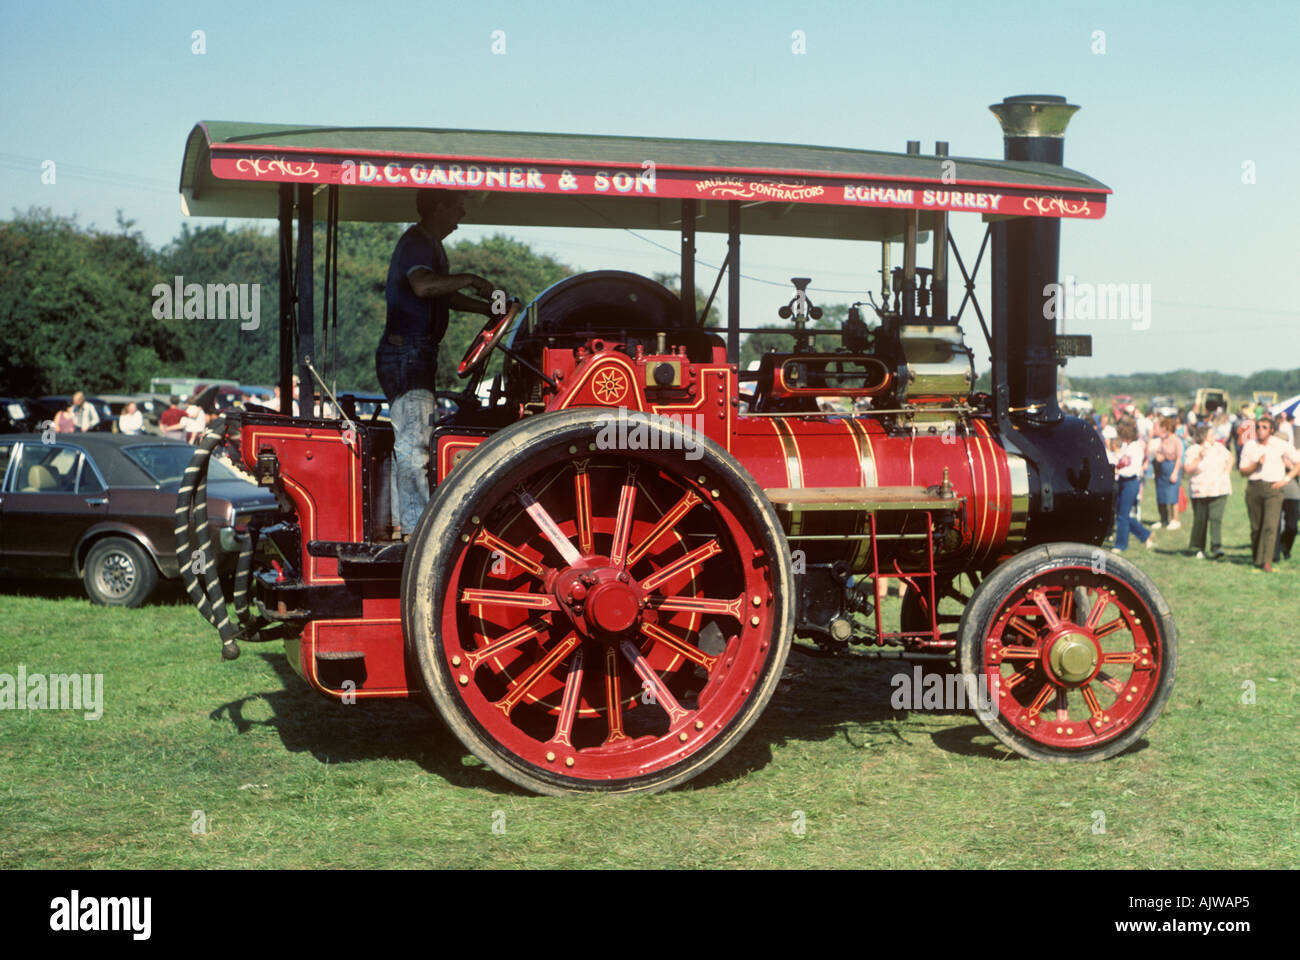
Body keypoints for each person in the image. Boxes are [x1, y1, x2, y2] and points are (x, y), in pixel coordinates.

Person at [376, 189, 497, 539]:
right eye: (457, 206)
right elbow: (424, 286)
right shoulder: (417, 242)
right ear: (439, 208)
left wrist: (485, 309)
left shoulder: (431, 246)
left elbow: (441, 293)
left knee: (411, 441)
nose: (462, 213)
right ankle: (417, 533)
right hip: (407, 354)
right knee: (415, 443)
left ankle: (406, 523)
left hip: (413, 353)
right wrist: (472, 279)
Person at [1239, 415, 1300, 572]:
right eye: (1258, 427)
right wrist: (1256, 465)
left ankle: (1267, 561)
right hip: (1254, 487)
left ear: (1272, 430)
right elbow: (1242, 471)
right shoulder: (1250, 446)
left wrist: (1286, 479)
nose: (1260, 430)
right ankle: (1257, 558)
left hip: (1274, 488)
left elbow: (1297, 462)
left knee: (1271, 525)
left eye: (1264, 427)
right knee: (1256, 527)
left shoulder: (1280, 445)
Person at [1183, 423, 1232, 559]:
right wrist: (1199, 457)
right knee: (1201, 519)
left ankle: (1216, 546)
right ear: (1203, 436)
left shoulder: (1219, 448)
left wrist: (1226, 473)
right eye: (1211, 435)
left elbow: (1230, 458)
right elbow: (1187, 469)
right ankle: (1200, 547)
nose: (1213, 437)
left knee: (1216, 517)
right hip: (1200, 489)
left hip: (1219, 488)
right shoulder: (1193, 450)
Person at [1112, 419, 1154, 553]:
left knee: (1123, 515)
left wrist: (1119, 471)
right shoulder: (1127, 446)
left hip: (1131, 482)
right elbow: (1122, 461)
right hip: (1123, 481)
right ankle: (1145, 534)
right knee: (1121, 514)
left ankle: (1121, 545)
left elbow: (1133, 469)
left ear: (1126, 435)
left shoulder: (1136, 448)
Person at [1151, 416, 1184, 530]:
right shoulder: (1164, 439)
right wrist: (1158, 455)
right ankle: (1163, 519)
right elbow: (1157, 451)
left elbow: (1179, 458)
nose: (1161, 429)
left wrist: (1175, 473)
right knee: (1161, 495)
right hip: (1162, 469)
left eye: (1163, 427)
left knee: (1172, 495)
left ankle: (1175, 520)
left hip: (1172, 467)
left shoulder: (1177, 440)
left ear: (1168, 427)